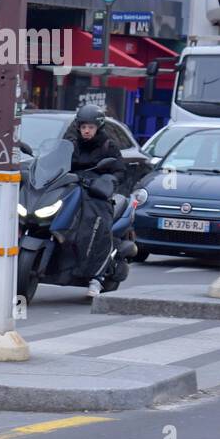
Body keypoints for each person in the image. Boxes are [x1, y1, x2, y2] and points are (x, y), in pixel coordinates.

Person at [64, 104, 126, 297]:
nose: (87, 131)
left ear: (98, 127)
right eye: (83, 127)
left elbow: (119, 171)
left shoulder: (108, 145)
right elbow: (57, 162)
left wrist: (108, 181)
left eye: (90, 127)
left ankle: (96, 279)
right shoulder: (71, 144)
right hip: (73, 190)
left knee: (99, 227)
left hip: (97, 194)